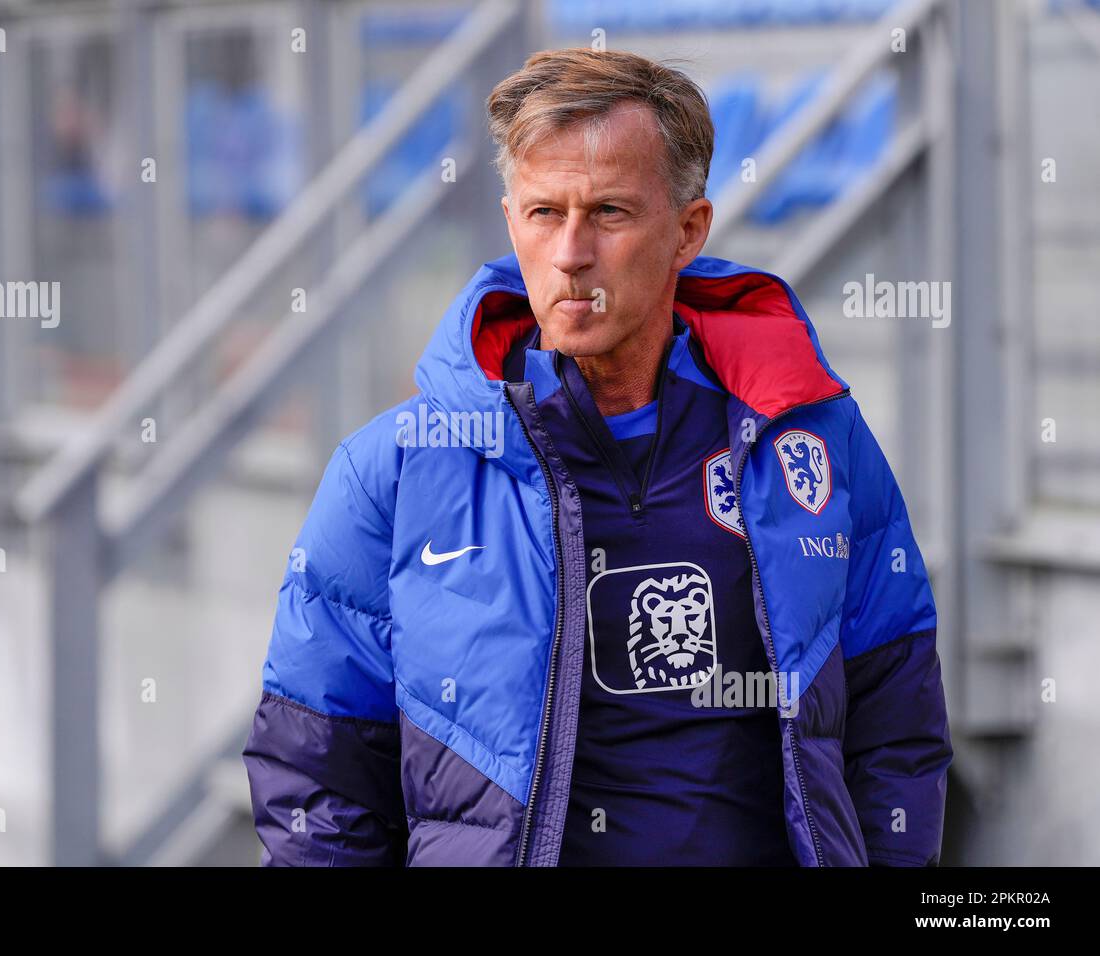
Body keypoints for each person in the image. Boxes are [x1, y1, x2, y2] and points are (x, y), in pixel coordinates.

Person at [241, 48, 953, 866]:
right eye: (545, 214)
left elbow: (896, 728)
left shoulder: (812, 445)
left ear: (688, 230)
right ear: (511, 220)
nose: (571, 253)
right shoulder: (393, 475)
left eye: (609, 212)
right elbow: (316, 780)